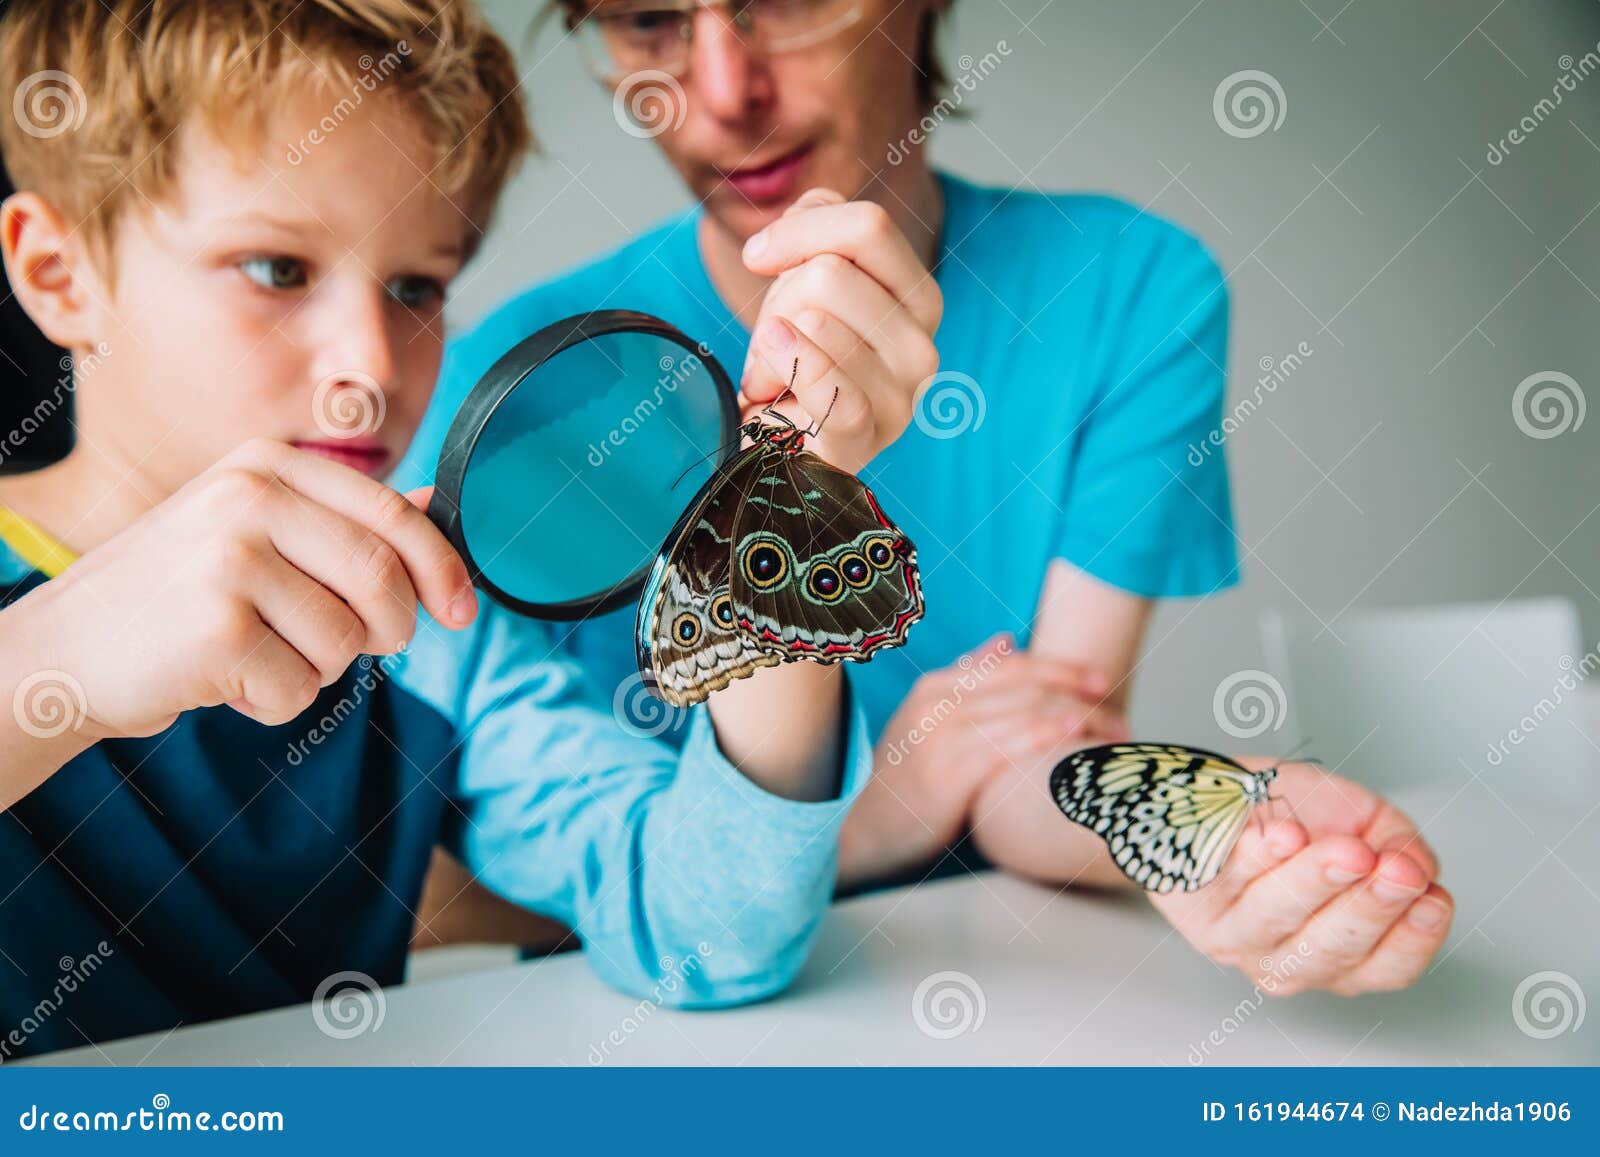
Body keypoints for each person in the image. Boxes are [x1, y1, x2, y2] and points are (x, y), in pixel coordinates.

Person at [398, 0, 1454, 998]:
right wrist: (870, 819)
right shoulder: (511, 390)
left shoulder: (1129, 290)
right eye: (647, 20)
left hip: (986, 1004)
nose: (721, 91)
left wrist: (1196, 831)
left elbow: (1032, 747)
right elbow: (409, 886)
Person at [0, 0, 913, 1059]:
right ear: (58, 272)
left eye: (414, 286)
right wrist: (47, 663)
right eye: (278, 269)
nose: (374, 367)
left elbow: (702, 939)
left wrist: (782, 513)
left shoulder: (430, 627)